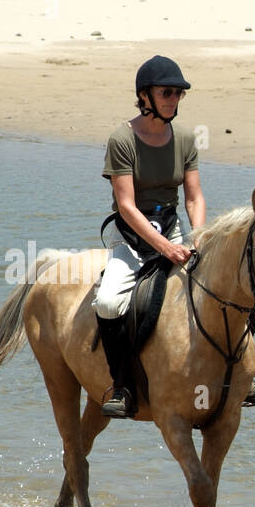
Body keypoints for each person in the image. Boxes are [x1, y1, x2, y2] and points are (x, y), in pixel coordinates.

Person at [95, 55, 204, 418]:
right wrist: (165, 249)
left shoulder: (186, 138)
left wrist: (198, 237)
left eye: (179, 93)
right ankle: (122, 385)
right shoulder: (122, 139)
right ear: (145, 96)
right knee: (109, 303)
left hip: (172, 227)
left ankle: (239, 376)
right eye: (167, 92)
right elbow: (126, 206)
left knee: (224, 283)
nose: (174, 99)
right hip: (131, 237)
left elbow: (193, 196)